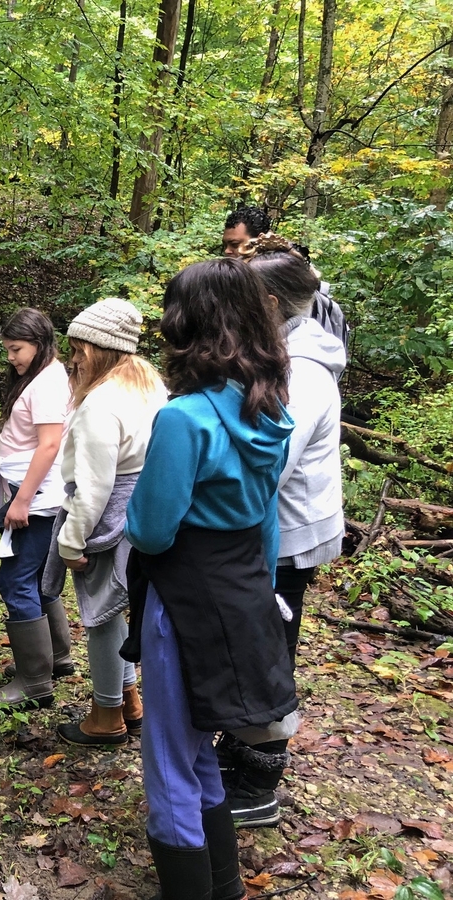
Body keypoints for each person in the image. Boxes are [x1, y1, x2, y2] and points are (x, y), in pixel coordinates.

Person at [124, 258, 295, 900]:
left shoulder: (184, 419)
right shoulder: (270, 412)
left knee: (169, 759)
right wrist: (262, 593)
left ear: (188, 325)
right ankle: (224, 885)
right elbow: (266, 518)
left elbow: (150, 531)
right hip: (241, 593)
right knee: (199, 748)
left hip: (183, 605)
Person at [213, 234, 346, 827]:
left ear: (269, 304)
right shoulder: (282, 356)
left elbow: (268, 464)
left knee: (267, 655)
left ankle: (259, 782)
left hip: (287, 536)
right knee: (254, 646)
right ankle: (239, 749)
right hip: (273, 529)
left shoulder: (305, 373)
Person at [41, 298, 166, 746]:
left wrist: (71, 543)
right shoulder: (148, 384)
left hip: (106, 525)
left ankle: (106, 715)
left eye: (79, 350)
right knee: (117, 612)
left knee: (101, 618)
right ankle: (130, 700)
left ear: (97, 350)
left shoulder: (100, 403)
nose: (73, 360)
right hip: (140, 515)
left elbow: (93, 488)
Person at [0, 308, 74, 709]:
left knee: (16, 579)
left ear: (38, 343)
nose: (11, 357)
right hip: (37, 493)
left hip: (38, 498)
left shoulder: (47, 383)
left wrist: (22, 500)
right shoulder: (43, 377)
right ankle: (56, 657)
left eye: (16, 349)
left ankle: (34, 681)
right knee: (35, 576)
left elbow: (49, 445)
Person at [221, 205, 349, 348]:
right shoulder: (229, 283)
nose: (227, 251)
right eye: (225, 244)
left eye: (234, 244)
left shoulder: (292, 286)